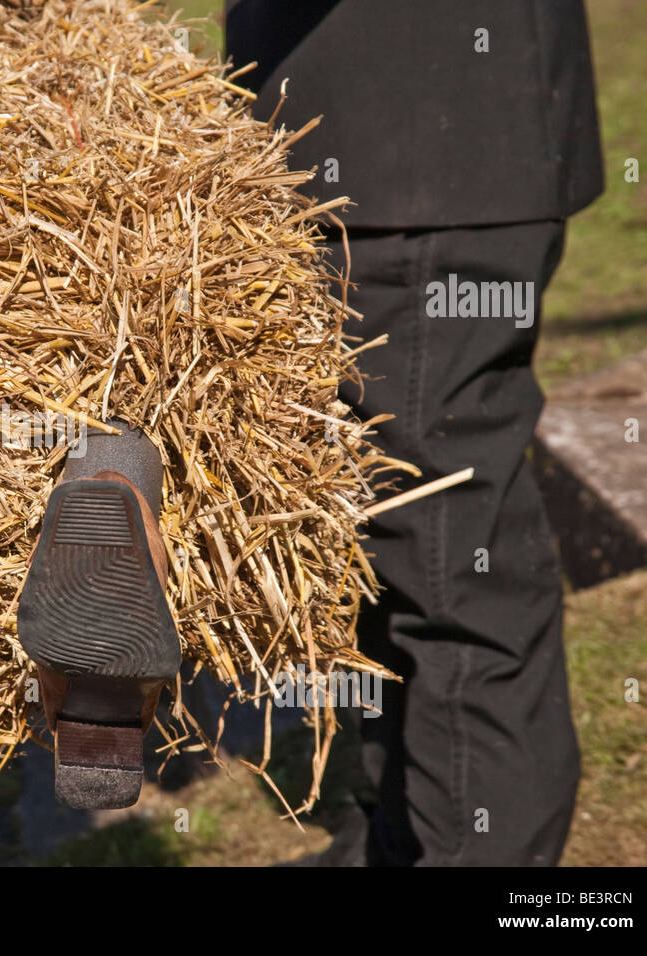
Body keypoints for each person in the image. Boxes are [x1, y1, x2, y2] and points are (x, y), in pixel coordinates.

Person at [225, 0, 603, 865]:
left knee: (448, 558)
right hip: (371, 150)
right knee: (370, 544)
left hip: (426, 156)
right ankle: (398, 839)